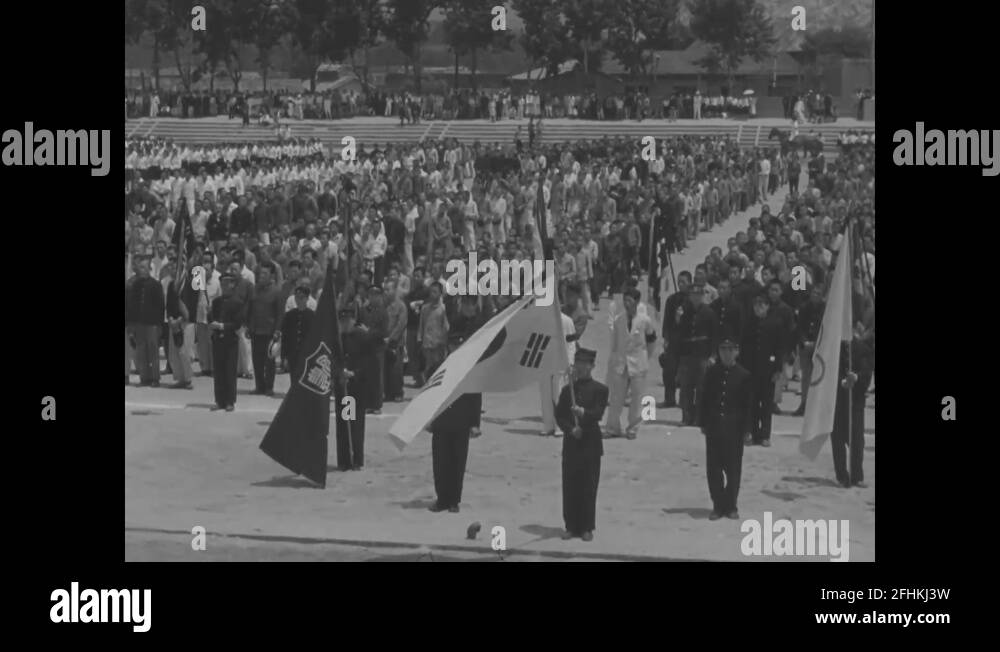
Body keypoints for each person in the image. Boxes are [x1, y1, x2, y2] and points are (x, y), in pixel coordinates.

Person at [428, 298, 485, 513]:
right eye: (453, 345)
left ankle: (454, 500)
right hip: (442, 421)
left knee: (457, 462)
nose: (455, 348)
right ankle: (442, 498)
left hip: (461, 422)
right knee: (440, 463)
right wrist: (429, 419)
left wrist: (475, 423)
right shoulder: (438, 367)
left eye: (458, 345)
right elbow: (429, 395)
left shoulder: (469, 369)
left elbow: (475, 397)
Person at [556, 347, 609, 541]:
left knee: (588, 485)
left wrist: (583, 414)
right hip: (572, 443)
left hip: (590, 444)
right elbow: (560, 415)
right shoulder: (567, 389)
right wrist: (571, 429)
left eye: (585, 364)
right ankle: (571, 525)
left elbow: (598, 413)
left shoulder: (600, 390)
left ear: (592, 366)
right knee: (570, 485)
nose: (581, 367)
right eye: (578, 364)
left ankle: (586, 526)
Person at [697, 334, 752, 520]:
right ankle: (718, 505)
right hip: (714, 426)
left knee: (733, 469)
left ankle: (731, 505)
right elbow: (704, 398)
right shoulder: (712, 372)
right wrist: (702, 422)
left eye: (730, 350)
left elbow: (747, 406)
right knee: (713, 468)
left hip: (734, 429)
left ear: (736, 352)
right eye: (723, 350)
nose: (726, 354)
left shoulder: (743, 375)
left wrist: (747, 430)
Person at [604, 288, 657, 439]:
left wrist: (646, 357)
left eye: (630, 301)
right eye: (625, 300)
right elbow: (615, 343)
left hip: (638, 363)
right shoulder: (618, 319)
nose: (627, 304)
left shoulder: (644, 320)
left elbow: (651, 340)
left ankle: (633, 428)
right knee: (616, 398)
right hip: (621, 363)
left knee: (636, 398)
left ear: (637, 302)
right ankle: (612, 427)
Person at [831, 323, 875, 488]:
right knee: (837, 438)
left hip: (855, 400)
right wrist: (840, 381)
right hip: (836, 399)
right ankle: (842, 474)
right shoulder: (833, 347)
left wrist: (856, 378)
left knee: (857, 439)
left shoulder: (863, 348)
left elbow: (867, 371)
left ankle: (856, 475)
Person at [333, 303, 377, 471]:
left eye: (347, 320)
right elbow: (333, 359)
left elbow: (369, 362)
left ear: (353, 320)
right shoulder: (338, 338)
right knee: (344, 423)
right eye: (342, 320)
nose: (344, 323)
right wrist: (339, 373)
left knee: (355, 424)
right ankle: (344, 459)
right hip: (343, 388)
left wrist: (354, 374)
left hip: (356, 388)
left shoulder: (362, 337)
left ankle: (356, 458)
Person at [739, 293, 783, 446]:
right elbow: (743, 347)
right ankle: (749, 432)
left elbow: (779, 348)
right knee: (750, 403)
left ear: (767, 307)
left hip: (767, 371)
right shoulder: (748, 323)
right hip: (750, 369)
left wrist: (777, 369)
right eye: (756, 305)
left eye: (762, 305)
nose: (758, 308)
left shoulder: (775, 324)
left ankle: (765, 435)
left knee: (766, 404)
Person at [676, 283, 717, 426]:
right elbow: (679, 333)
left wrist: (713, 355)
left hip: (702, 354)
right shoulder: (683, 311)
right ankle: (686, 416)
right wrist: (678, 319)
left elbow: (714, 335)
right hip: (687, 354)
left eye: (698, 295)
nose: (695, 298)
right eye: (692, 295)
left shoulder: (709, 312)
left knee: (701, 388)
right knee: (686, 387)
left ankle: (699, 417)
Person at [209, 272, 248, 412]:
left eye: (227, 283)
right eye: (222, 284)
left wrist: (222, 326)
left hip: (230, 340)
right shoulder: (216, 302)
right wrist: (212, 324)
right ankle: (219, 400)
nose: (224, 286)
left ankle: (230, 401)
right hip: (217, 340)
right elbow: (212, 317)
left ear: (233, 285)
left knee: (230, 371)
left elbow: (237, 323)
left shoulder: (238, 302)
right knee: (218, 371)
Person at [126, 257, 166, 387]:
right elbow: (132, 305)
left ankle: (155, 377)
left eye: (144, 267)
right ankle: (145, 377)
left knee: (153, 351)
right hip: (139, 323)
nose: (141, 270)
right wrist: (132, 323)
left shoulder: (155, 285)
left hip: (152, 323)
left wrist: (160, 325)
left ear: (149, 269)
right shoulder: (136, 285)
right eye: (140, 267)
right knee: (141, 351)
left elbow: (160, 306)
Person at [248, 261, 283, 396]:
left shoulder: (276, 292)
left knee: (269, 361)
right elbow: (251, 310)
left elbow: (280, 313)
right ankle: (259, 386)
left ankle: (269, 387)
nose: (261, 276)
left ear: (271, 276)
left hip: (269, 331)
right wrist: (249, 326)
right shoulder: (255, 289)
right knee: (257, 361)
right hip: (256, 330)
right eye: (260, 273)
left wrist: (277, 330)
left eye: (265, 273)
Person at [280, 286, 315, 378]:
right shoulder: (289, 315)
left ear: (307, 298)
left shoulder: (313, 316)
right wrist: (284, 356)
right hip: (293, 353)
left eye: (302, 297)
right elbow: (285, 337)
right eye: (296, 297)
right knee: (294, 378)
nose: (299, 300)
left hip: (307, 354)